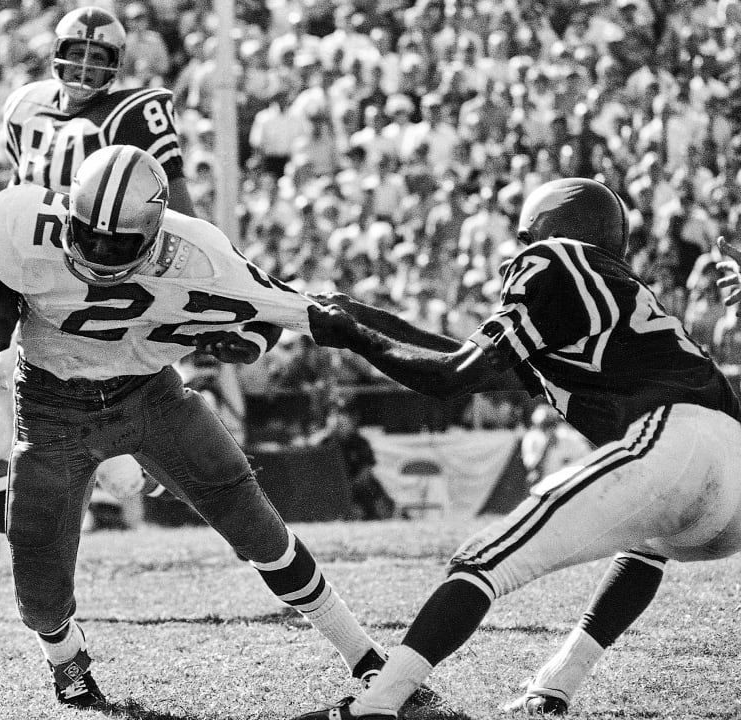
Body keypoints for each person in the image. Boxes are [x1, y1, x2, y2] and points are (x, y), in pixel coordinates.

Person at [0, 145, 426, 709]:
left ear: (155, 232)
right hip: (51, 404)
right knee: (38, 582)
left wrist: (245, 345)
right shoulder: (20, 224)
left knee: (257, 526)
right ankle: (67, 659)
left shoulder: (201, 253)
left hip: (150, 394)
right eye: (88, 234)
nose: (99, 252)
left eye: (118, 243)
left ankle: (363, 656)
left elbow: (277, 315)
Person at [291, 177, 741, 719]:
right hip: (730, 485)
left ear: (548, 230)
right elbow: (469, 361)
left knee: (483, 561)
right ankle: (553, 689)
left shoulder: (553, 260)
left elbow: (453, 378)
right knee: (648, 542)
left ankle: (375, 706)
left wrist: (357, 337)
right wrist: (366, 318)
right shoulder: (605, 295)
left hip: (678, 442)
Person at [0, 5, 197, 625]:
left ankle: (146, 470)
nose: (87, 67)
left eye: (101, 58)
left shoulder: (137, 111)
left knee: (120, 469)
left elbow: (174, 208)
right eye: (79, 52)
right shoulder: (24, 106)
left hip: (94, 293)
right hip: (31, 283)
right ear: (56, 52)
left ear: (118, 64)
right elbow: (8, 189)